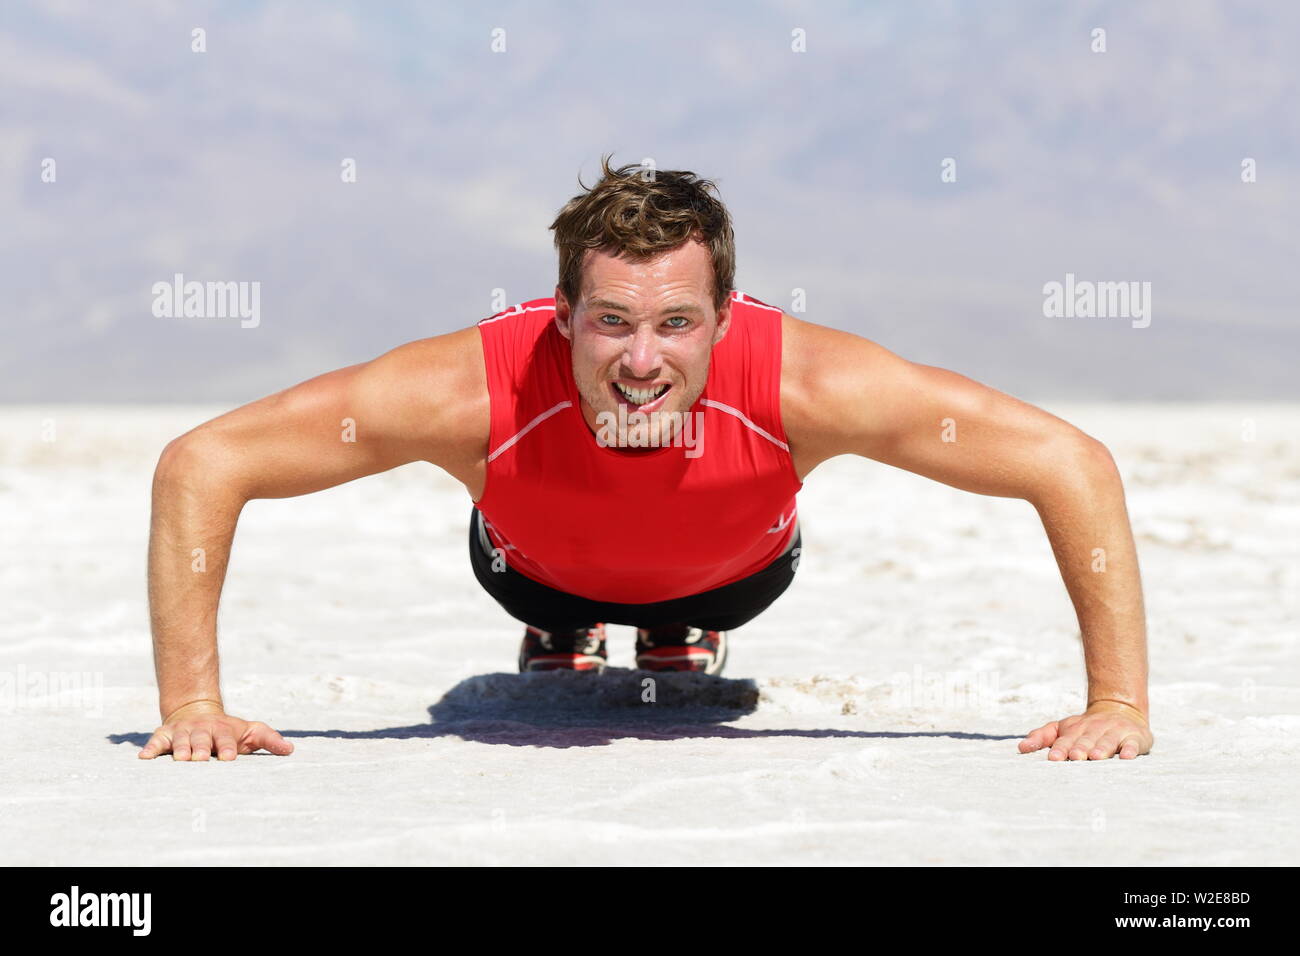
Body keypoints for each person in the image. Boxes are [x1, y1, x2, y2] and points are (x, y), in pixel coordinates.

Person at [140, 157, 1153, 763]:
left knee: (691, 601)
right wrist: (192, 705)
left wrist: (1117, 704)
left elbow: (1070, 462)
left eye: (676, 322)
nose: (640, 358)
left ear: (724, 316)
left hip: (741, 571)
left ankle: (678, 623)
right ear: (562, 315)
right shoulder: (468, 390)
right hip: (524, 563)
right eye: (610, 322)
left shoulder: (811, 384)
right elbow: (203, 462)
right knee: (545, 572)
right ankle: (563, 618)